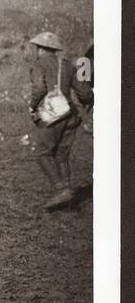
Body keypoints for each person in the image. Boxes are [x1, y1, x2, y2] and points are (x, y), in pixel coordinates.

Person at [26, 31, 90, 210]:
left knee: (42, 153)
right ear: (54, 49)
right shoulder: (67, 65)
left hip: (52, 115)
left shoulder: (38, 65)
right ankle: (68, 193)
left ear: (40, 49)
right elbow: (84, 93)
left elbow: (39, 89)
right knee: (62, 155)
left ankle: (60, 190)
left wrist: (32, 106)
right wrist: (87, 103)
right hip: (71, 115)